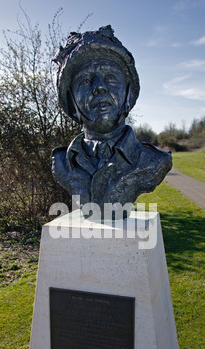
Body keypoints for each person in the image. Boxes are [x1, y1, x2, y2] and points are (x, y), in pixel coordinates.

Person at [52, 25, 172, 219]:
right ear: (72, 103)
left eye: (111, 78)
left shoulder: (153, 161)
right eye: (84, 80)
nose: (99, 87)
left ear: (129, 95)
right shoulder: (61, 163)